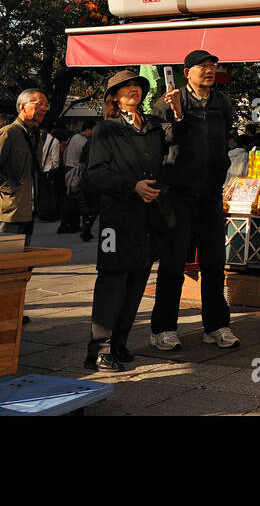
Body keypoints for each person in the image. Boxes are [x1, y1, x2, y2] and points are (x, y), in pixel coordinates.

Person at [155, 50, 238, 349]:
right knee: (174, 263)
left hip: (211, 193)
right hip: (178, 194)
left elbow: (224, 139)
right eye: (202, 67)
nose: (209, 71)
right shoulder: (169, 102)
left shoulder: (221, 102)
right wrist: (178, 113)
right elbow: (167, 139)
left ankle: (216, 325)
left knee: (215, 262)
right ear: (186, 71)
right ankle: (162, 328)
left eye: (212, 66)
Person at [85, 71, 164, 372]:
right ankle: (99, 350)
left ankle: (119, 343)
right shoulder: (106, 130)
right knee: (112, 281)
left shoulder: (153, 127)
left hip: (147, 217)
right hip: (116, 218)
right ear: (114, 97)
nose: (133, 90)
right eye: (125, 88)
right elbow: (96, 174)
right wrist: (132, 186)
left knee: (136, 281)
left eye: (137, 86)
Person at [0, 89, 50, 237]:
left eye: (46, 105)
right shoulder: (8, 133)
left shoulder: (36, 136)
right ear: (22, 107)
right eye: (39, 104)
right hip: (4, 213)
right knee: (2, 258)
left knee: (20, 259)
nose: (43, 109)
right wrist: (13, 190)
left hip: (26, 211)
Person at [59, 119, 96, 234]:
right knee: (74, 200)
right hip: (76, 171)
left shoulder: (74, 137)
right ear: (89, 129)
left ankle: (69, 224)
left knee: (71, 199)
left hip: (70, 169)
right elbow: (85, 158)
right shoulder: (83, 141)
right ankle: (70, 224)